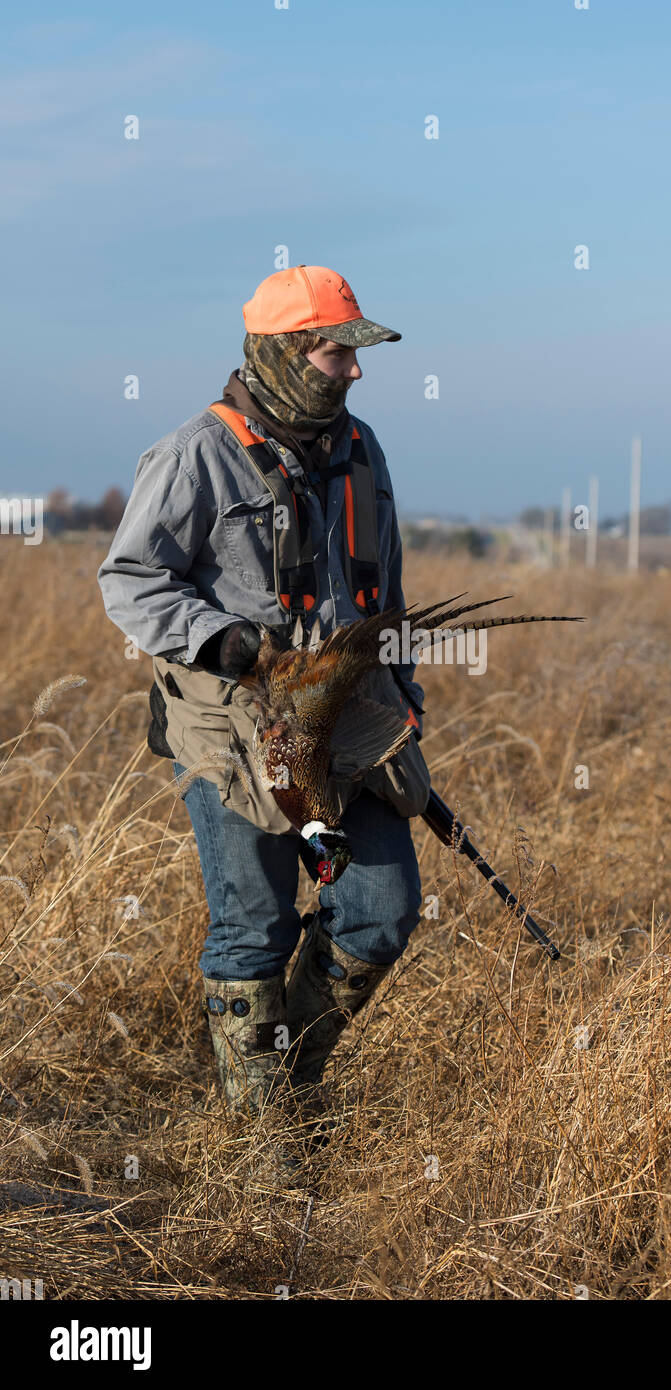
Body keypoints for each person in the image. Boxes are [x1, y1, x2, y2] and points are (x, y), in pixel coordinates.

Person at [97, 265, 428, 1116]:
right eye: (335, 354)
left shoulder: (363, 452)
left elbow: (382, 592)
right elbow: (131, 582)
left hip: (346, 729)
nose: (354, 371)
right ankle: (260, 1133)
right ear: (284, 353)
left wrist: (404, 699)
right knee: (256, 927)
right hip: (232, 736)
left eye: (356, 355)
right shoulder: (195, 454)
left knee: (381, 911)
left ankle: (293, 1072)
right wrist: (233, 643)